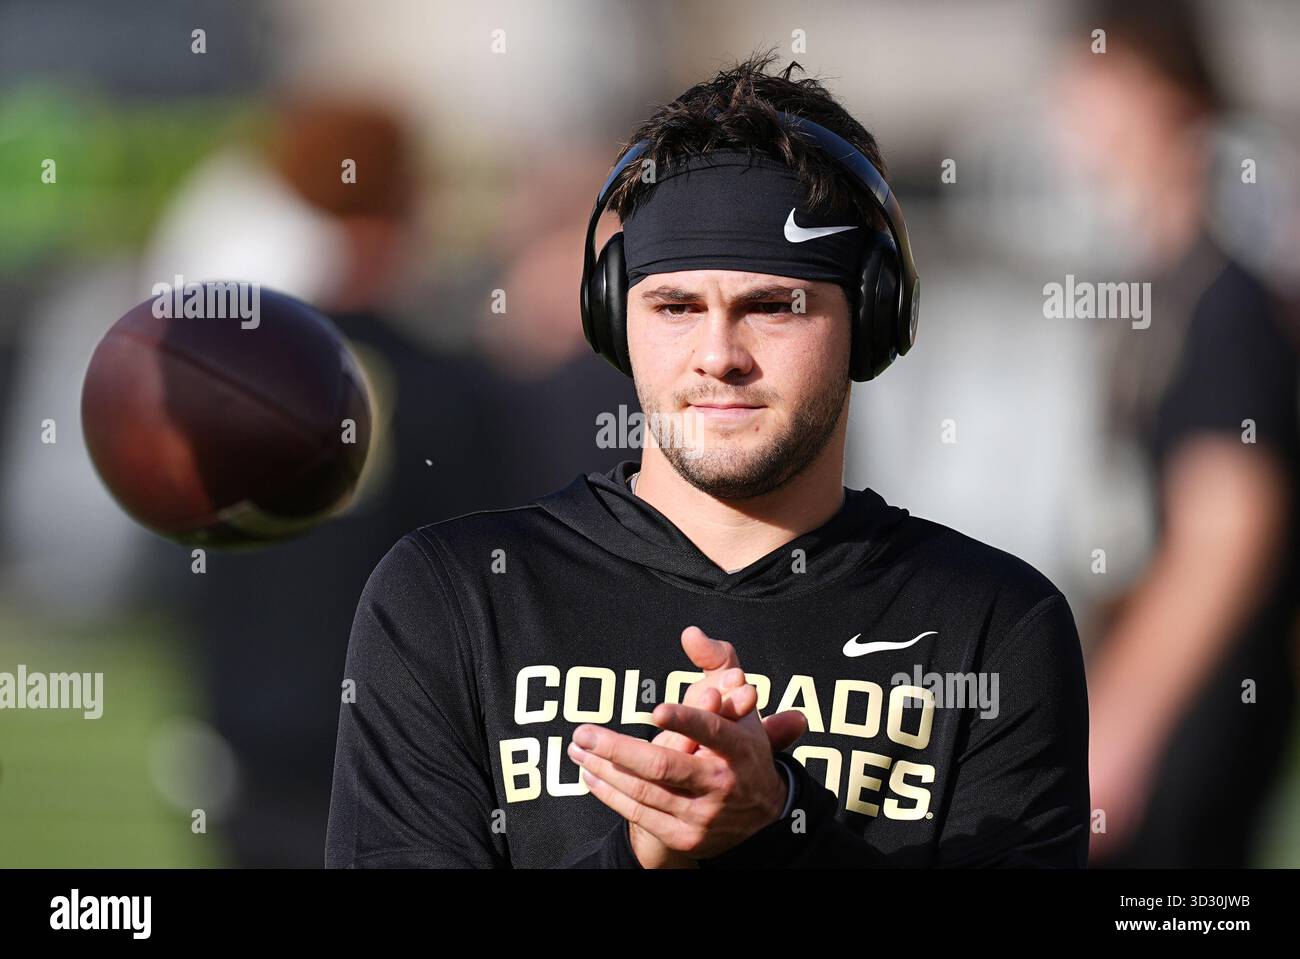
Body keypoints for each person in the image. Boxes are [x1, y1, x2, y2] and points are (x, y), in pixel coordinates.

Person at [325, 52, 1090, 869]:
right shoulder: (451, 599)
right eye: (676, 307)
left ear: (872, 317)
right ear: (612, 315)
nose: (718, 355)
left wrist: (777, 826)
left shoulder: (994, 626)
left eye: (773, 306)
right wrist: (646, 856)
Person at [1056, 0, 1300, 867]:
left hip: (1193, 717)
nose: (1076, 114)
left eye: (1100, 80)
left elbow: (1228, 533)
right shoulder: (1154, 293)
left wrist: (1122, 726)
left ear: (1171, 94)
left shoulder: (1222, 303)